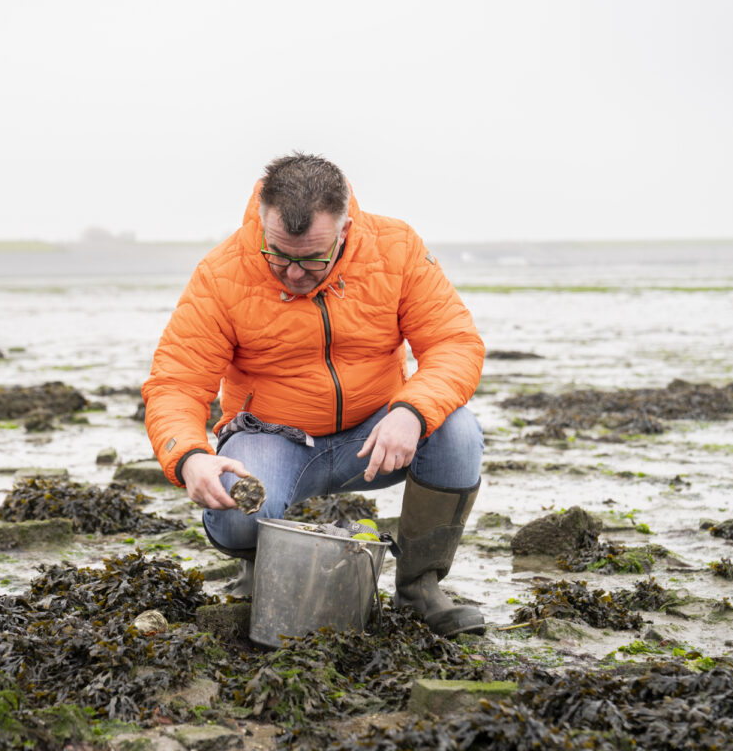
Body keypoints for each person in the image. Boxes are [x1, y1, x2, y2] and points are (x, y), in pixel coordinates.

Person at [141, 153, 486, 636]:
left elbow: (454, 343)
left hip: (375, 433)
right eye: (278, 255)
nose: (295, 274)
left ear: (345, 229)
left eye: (311, 259)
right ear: (263, 222)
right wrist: (190, 458)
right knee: (239, 513)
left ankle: (419, 589)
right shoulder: (221, 274)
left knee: (458, 431)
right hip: (272, 438)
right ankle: (256, 570)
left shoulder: (397, 248)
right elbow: (176, 382)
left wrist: (411, 411)